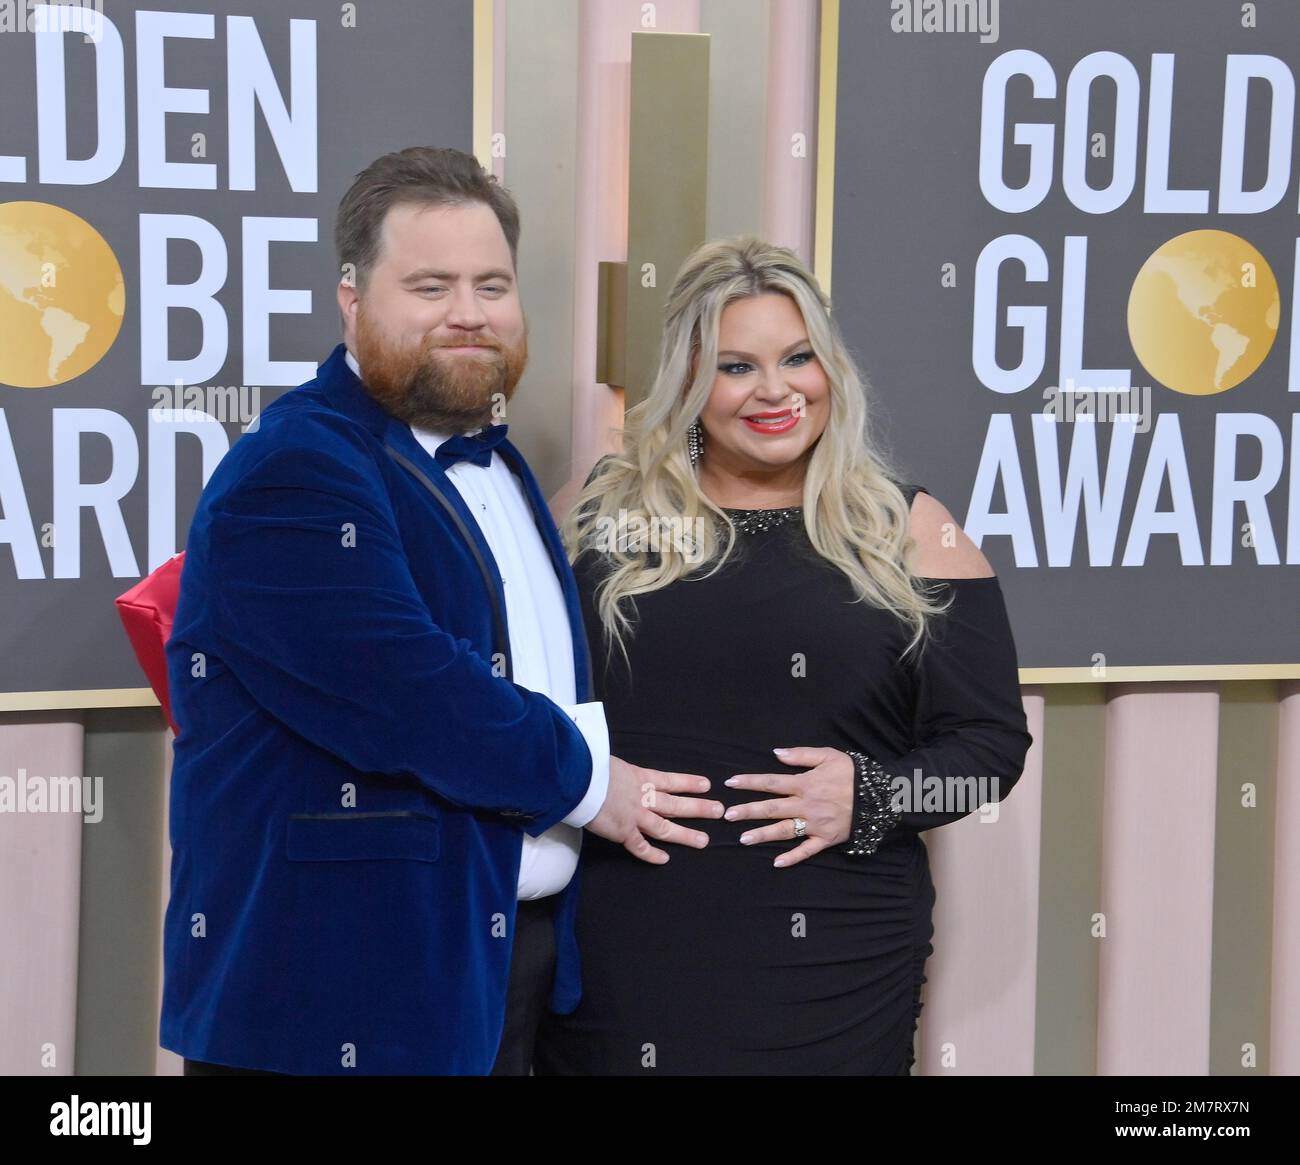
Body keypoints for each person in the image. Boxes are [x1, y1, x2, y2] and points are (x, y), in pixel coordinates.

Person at [161, 146, 721, 1076]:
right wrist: (594, 783)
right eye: (430, 286)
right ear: (351, 300)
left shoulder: (496, 459)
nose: (469, 312)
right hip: (336, 995)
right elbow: (408, 694)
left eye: (491, 285)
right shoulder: (297, 466)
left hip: (494, 976)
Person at [534, 237, 1034, 1075]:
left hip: (834, 963)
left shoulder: (910, 529)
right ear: (690, 381)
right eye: (738, 367)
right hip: (625, 954)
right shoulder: (597, 513)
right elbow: (508, 700)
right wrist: (585, 781)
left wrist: (872, 795)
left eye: (798, 358)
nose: (776, 390)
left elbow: (989, 755)